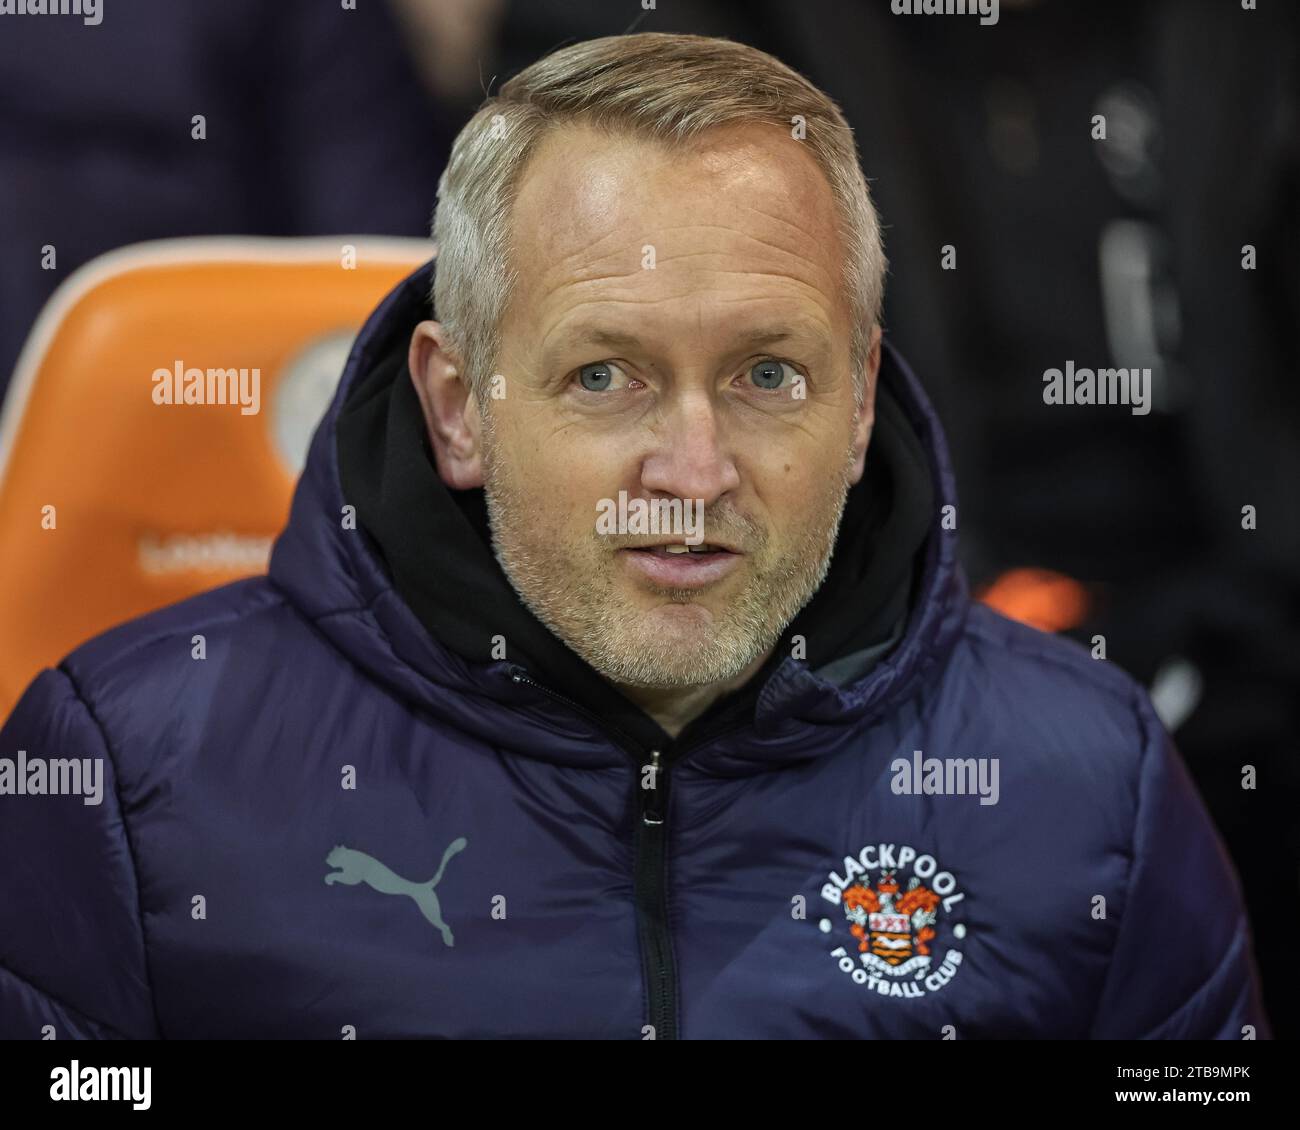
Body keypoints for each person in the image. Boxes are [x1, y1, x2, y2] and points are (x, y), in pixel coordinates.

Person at [0, 32, 1269, 1039]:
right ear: (458, 406)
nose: (695, 471)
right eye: (605, 377)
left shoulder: (1092, 782)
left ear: (863, 392)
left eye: (769, 375)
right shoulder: (125, 778)